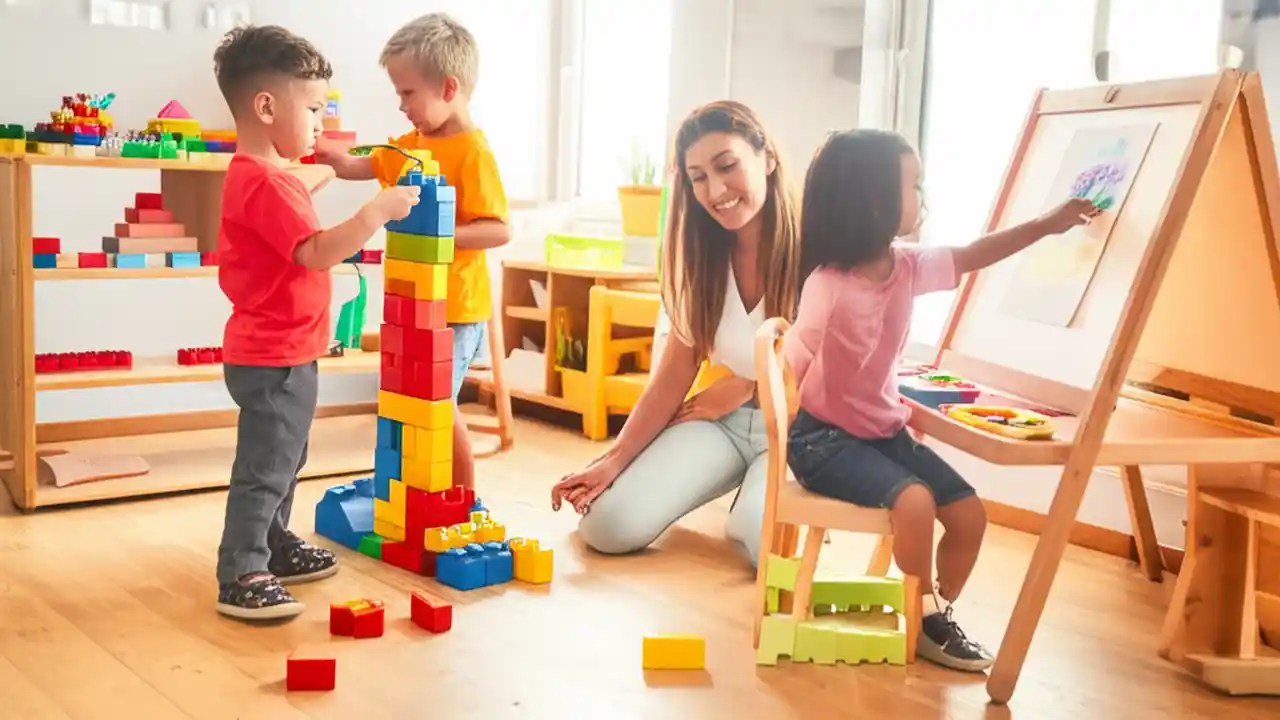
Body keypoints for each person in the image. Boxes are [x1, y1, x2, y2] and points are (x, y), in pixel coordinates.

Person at [784, 128, 1099, 670]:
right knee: (916, 502)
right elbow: (788, 366)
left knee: (971, 515)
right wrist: (772, 426)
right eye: (915, 184)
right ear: (874, 199)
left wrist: (1048, 225)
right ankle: (926, 617)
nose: (923, 196)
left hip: (883, 433)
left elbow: (976, 253)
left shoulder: (906, 265)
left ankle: (935, 611)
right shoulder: (828, 286)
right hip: (823, 439)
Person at [212, 25, 421, 620]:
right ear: (267, 106)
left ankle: (272, 544)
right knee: (266, 467)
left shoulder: (259, 174)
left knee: (285, 459)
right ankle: (242, 569)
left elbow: (291, 190)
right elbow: (316, 251)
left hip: (285, 352)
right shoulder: (267, 185)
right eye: (314, 110)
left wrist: (327, 170)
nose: (320, 124)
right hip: (274, 357)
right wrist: (376, 210)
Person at [550, 101, 801, 568]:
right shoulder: (699, 259)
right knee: (605, 525)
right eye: (698, 176)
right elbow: (673, 374)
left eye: (727, 166)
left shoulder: (815, 250)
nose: (715, 190)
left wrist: (748, 385)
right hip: (724, 425)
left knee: (760, 540)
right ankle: (744, 488)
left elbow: (835, 365)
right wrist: (613, 460)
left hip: (797, 432)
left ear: (767, 159)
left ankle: (757, 503)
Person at [317, 12, 509, 491]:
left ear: (448, 88)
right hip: (415, 301)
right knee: (410, 398)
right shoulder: (418, 141)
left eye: (407, 93)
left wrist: (438, 231)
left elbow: (499, 229)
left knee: (438, 401)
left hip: (457, 307)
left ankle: (464, 497)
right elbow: (372, 164)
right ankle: (418, 489)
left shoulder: (473, 153)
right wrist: (338, 160)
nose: (402, 106)